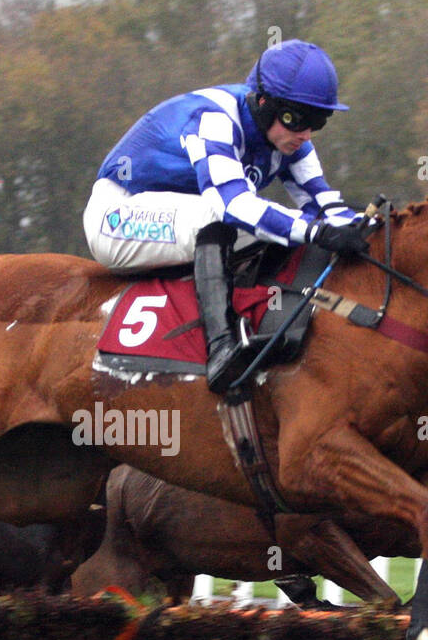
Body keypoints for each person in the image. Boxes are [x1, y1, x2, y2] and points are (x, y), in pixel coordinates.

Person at [83, 39, 369, 392]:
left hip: (181, 217)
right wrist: (315, 231)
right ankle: (220, 349)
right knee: (230, 219)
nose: (306, 134)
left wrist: (371, 228)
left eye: (318, 122)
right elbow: (232, 205)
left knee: (278, 229)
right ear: (263, 103)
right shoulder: (214, 118)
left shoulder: (290, 141)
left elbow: (327, 207)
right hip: (116, 217)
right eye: (297, 119)